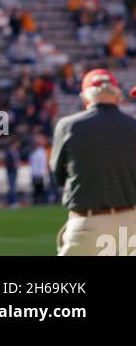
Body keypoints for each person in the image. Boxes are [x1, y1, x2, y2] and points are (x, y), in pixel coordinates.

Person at [51, 68, 136, 256]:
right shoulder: (133, 126)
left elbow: (57, 177)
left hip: (89, 222)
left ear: (85, 97)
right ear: (117, 95)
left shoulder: (68, 126)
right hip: (132, 224)